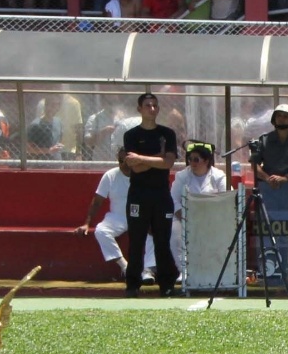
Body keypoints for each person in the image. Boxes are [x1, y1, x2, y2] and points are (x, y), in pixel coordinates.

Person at [119, 90, 180, 296]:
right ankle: (133, 284)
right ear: (139, 109)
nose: (152, 109)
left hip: (161, 195)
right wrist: (157, 159)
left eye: (155, 105)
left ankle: (167, 284)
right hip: (138, 195)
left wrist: (142, 158)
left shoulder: (167, 134)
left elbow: (168, 163)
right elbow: (135, 169)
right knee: (137, 241)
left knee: (162, 241)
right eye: (147, 106)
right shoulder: (131, 135)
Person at [249, 102, 288, 284]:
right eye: (278, 116)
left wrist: (286, 178)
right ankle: (267, 273)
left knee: (284, 232)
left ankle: (282, 272)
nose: (281, 119)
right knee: (267, 231)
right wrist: (267, 178)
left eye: (285, 116)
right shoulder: (264, 140)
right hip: (268, 192)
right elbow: (254, 164)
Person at [74, 147, 153, 280]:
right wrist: (86, 224)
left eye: (125, 160)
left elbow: (153, 200)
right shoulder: (110, 175)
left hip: (140, 216)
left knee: (157, 233)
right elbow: (97, 202)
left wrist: (151, 219)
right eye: (120, 160)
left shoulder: (144, 175)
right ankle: (126, 267)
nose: (122, 163)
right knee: (101, 231)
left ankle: (148, 271)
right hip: (117, 217)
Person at [170, 139, 228, 280]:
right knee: (174, 231)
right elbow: (173, 199)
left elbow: (226, 198)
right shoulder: (182, 176)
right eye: (190, 159)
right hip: (186, 216)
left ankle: (216, 270)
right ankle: (184, 270)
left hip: (212, 218)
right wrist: (183, 216)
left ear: (207, 161)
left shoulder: (219, 176)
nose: (192, 163)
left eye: (196, 159)